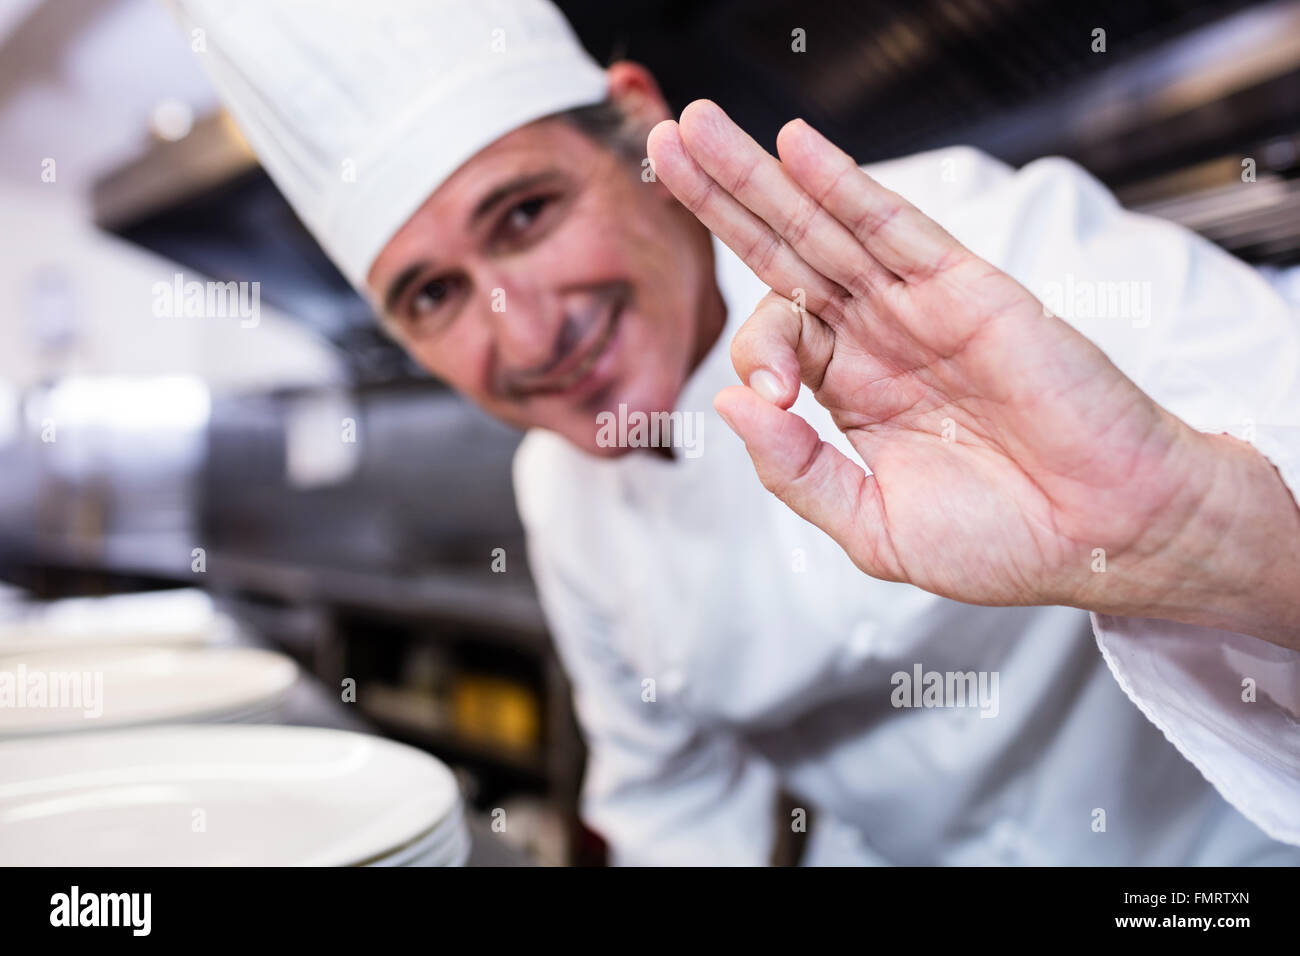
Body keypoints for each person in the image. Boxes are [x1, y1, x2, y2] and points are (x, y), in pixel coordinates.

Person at [170, 0, 1300, 864]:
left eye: (524, 214)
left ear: (636, 127)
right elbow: (669, 803)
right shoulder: (560, 495)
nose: (521, 338)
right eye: (433, 295)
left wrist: (1205, 536)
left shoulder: (969, 243)